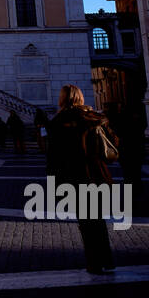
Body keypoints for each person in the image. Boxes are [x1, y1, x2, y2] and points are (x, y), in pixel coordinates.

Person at [46, 85, 118, 274]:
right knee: (98, 220)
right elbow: (113, 142)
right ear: (80, 98)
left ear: (62, 99)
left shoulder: (57, 122)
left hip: (74, 176)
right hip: (97, 175)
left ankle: (94, 262)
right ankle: (107, 260)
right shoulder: (94, 118)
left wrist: (53, 182)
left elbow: (53, 156)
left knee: (86, 222)